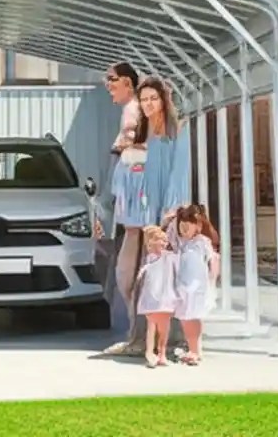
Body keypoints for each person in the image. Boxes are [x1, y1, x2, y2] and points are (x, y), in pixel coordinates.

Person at [105, 75, 193, 356]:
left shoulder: (177, 131)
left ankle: (168, 341)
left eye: (153, 98)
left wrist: (171, 213)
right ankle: (138, 335)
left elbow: (179, 173)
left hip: (163, 216)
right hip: (136, 219)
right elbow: (125, 175)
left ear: (164, 100)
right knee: (127, 277)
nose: (148, 104)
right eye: (144, 100)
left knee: (165, 279)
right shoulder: (140, 134)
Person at [96, 62, 141, 350]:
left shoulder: (133, 112)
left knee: (127, 273)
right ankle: (134, 333)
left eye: (111, 79)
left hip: (131, 211)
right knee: (124, 272)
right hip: (123, 208)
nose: (107, 85)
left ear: (127, 82)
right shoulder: (128, 112)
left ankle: (137, 335)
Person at [174, 205, 221, 365]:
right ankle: (193, 348)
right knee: (185, 318)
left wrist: (212, 279)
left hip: (197, 286)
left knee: (193, 316)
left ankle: (195, 350)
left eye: (189, 224)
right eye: (182, 224)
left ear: (198, 226)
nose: (184, 228)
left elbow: (214, 259)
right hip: (183, 285)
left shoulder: (202, 242)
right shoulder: (181, 243)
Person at [134, 225, 178, 368]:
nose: (164, 243)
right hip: (152, 296)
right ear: (151, 242)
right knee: (151, 326)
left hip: (166, 296)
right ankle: (149, 352)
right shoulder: (149, 259)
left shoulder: (169, 257)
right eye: (161, 240)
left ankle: (162, 353)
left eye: (165, 241)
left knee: (164, 327)